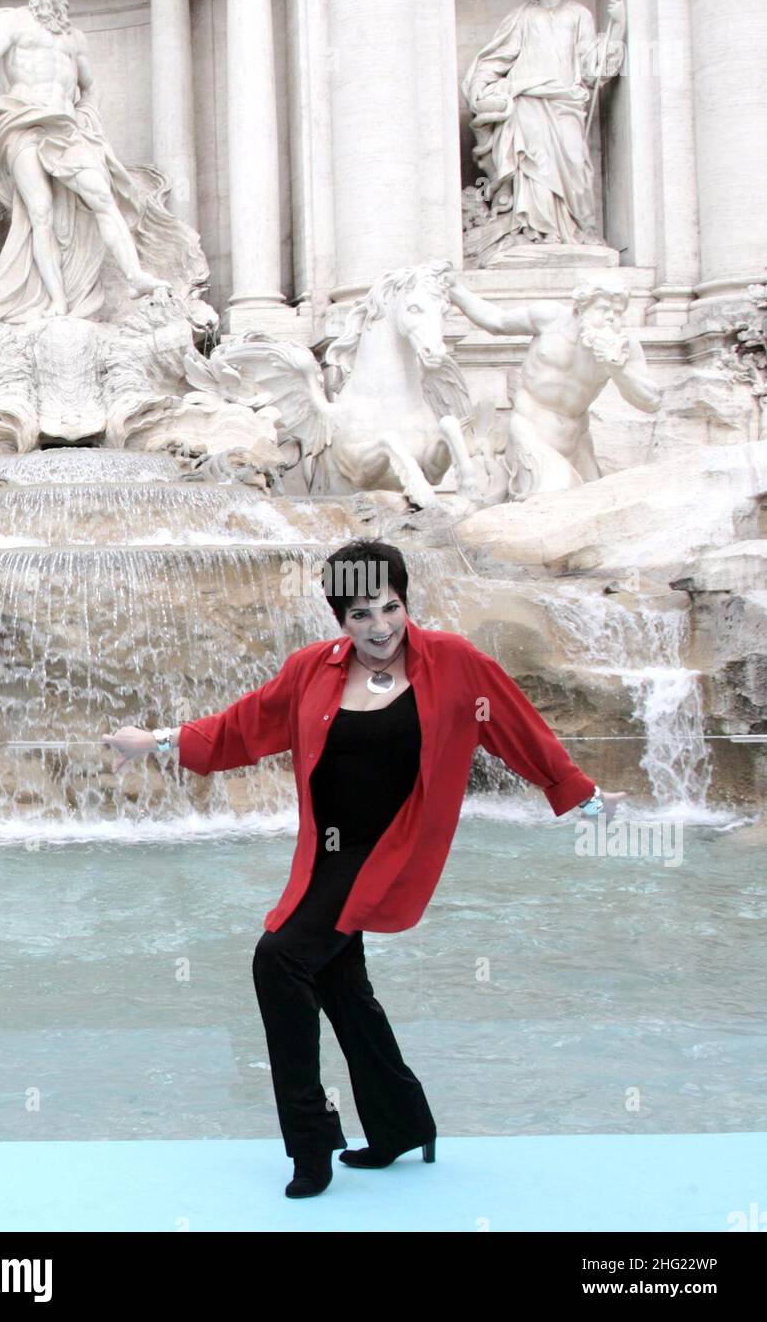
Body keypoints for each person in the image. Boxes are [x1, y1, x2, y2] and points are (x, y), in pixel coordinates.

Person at [102, 539, 625, 1198]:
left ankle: (312, 1137)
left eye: (390, 608)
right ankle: (401, 1121)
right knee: (338, 981)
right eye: (361, 616)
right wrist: (158, 741)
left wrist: (585, 798)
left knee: (280, 959)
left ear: (407, 603)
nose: (379, 628)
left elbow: (520, 730)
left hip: (391, 852)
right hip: (327, 854)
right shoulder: (313, 671)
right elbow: (245, 727)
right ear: (338, 619)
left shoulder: (456, 664)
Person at [0, 0, 172, 322]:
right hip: (21, 123)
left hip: (65, 128)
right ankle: (57, 302)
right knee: (39, 212)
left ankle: (135, 276)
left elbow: (90, 87)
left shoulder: (75, 39)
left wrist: (87, 117)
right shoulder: (14, 23)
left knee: (102, 196)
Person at [460, 0, 626, 263]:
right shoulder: (523, 16)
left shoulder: (579, 14)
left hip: (565, 101)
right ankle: (534, 231)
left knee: (573, 161)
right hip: (528, 100)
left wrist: (617, 25)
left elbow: (594, 65)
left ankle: (572, 230)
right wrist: (481, 87)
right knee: (533, 167)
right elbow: (497, 57)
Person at [447, 276, 662, 498]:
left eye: (618, 313)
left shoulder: (625, 348)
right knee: (557, 495)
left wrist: (617, 368)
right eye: (604, 309)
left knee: (591, 506)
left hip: (577, 441)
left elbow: (651, 401)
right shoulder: (549, 318)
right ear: (580, 308)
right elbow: (497, 321)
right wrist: (456, 291)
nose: (610, 318)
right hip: (530, 431)